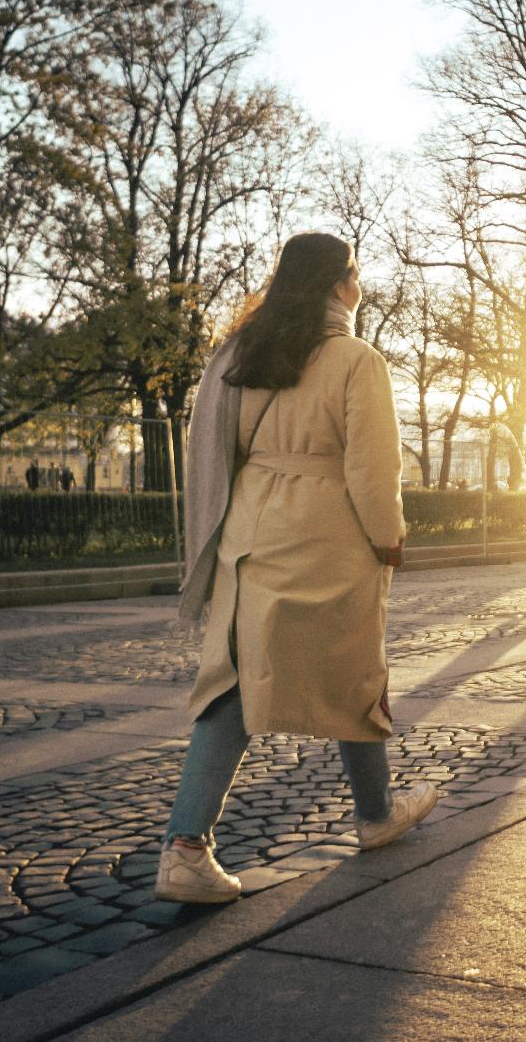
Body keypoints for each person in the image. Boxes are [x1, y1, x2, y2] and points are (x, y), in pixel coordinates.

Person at [162, 231, 436, 906]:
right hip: (328, 536)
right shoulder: (355, 360)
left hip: (250, 535)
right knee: (355, 671)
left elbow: (216, 448)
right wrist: (388, 537)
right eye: (358, 275)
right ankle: (375, 815)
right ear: (342, 283)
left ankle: (185, 848)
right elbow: (373, 472)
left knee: (232, 683)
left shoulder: (247, 354)